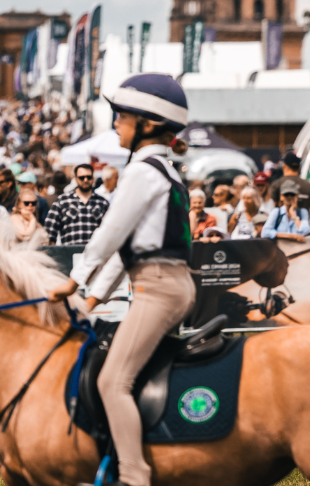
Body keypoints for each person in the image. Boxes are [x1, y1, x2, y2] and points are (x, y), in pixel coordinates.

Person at [43, 73, 194, 486]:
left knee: (113, 380)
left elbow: (109, 233)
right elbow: (127, 251)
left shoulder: (142, 171)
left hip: (158, 290)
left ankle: (133, 475)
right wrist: (90, 302)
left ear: (147, 123)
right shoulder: (163, 168)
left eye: (121, 115)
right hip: (166, 282)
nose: (115, 123)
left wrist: (73, 282)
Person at [42, 163, 110, 246]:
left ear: (93, 178)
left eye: (89, 177)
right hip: (69, 254)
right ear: (76, 179)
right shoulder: (63, 201)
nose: (85, 180)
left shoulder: (102, 202)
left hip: (95, 254)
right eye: (82, 177)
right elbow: (50, 232)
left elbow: (110, 231)